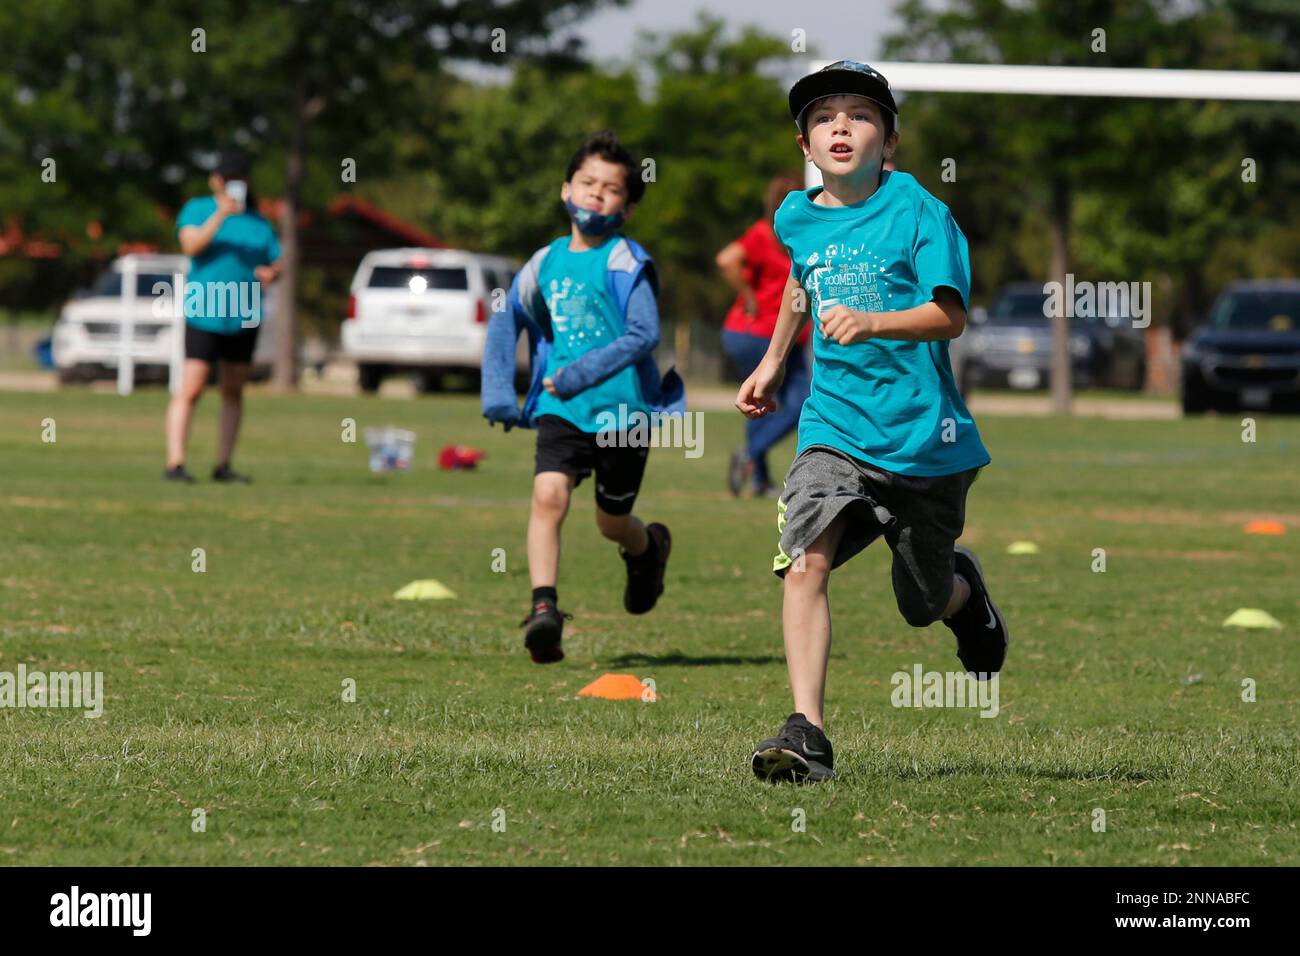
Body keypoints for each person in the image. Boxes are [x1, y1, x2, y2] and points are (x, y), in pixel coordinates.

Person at [735, 61, 1009, 782]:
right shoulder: (794, 215)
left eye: (860, 115)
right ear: (805, 143)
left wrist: (874, 321)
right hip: (834, 428)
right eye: (825, 117)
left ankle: (963, 593)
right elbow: (802, 279)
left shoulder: (918, 211)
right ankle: (808, 734)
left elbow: (948, 316)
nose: (841, 127)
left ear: (889, 140)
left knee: (920, 604)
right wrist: (773, 361)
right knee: (805, 563)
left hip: (923, 439)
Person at [480, 130, 685, 664]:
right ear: (565, 189)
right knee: (548, 497)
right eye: (587, 182)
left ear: (629, 206)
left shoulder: (625, 262)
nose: (596, 193)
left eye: (611, 188)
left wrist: (577, 374)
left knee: (610, 523)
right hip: (562, 410)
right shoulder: (545, 261)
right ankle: (543, 609)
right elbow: (508, 316)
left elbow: (643, 335)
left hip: (622, 411)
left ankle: (648, 550)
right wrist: (499, 388)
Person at [164, 152, 282, 483]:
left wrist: (273, 272)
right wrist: (221, 215)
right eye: (228, 178)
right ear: (215, 180)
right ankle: (175, 463)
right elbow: (191, 246)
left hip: (244, 312)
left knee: (233, 389)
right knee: (193, 386)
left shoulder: (259, 222)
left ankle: (223, 464)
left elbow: (277, 260)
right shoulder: (198, 209)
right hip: (205, 310)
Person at [716, 173, 811, 497]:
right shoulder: (762, 234)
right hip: (755, 334)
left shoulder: (803, 235)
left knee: (762, 404)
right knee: (799, 403)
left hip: (785, 338)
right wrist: (749, 295)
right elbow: (726, 259)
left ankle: (759, 481)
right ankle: (751, 454)